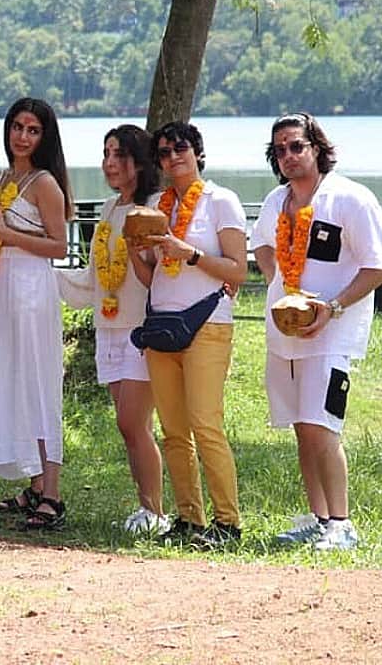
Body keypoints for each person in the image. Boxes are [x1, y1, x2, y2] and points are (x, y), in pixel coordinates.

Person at [252, 112, 382, 551]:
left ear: (317, 147)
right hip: (285, 332)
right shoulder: (278, 201)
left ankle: (342, 523)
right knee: (301, 428)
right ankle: (317, 518)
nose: (289, 156)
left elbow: (378, 267)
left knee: (322, 426)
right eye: (280, 150)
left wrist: (330, 308)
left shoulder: (350, 198)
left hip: (332, 334)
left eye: (297, 146)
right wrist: (282, 286)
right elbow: (261, 245)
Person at [0, 99, 72, 529]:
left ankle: (53, 493)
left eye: (33, 130)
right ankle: (35, 484)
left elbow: (59, 245)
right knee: (11, 378)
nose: (22, 136)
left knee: (37, 382)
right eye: (17, 127)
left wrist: (7, 233)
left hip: (31, 286)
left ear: (44, 137)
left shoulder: (44, 184)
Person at [130, 121, 248, 549]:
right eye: (163, 152)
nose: (173, 156)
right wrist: (134, 250)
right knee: (173, 429)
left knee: (205, 424)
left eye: (181, 147)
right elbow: (150, 276)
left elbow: (239, 270)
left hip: (208, 323)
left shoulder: (221, 201)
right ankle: (189, 519)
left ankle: (228, 523)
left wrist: (191, 253)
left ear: (197, 152)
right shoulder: (157, 207)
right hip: (163, 323)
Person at [58, 124, 167, 535]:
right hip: (108, 326)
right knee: (129, 427)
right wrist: (46, 277)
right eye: (105, 153)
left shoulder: (156, 206)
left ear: (139, 161)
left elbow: (160, 272)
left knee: (132, 422)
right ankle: (145, 508)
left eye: (118, 154)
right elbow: (95, 277)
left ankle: (156, 513)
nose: (109, 163)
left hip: (142, 327)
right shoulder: (107, 209)